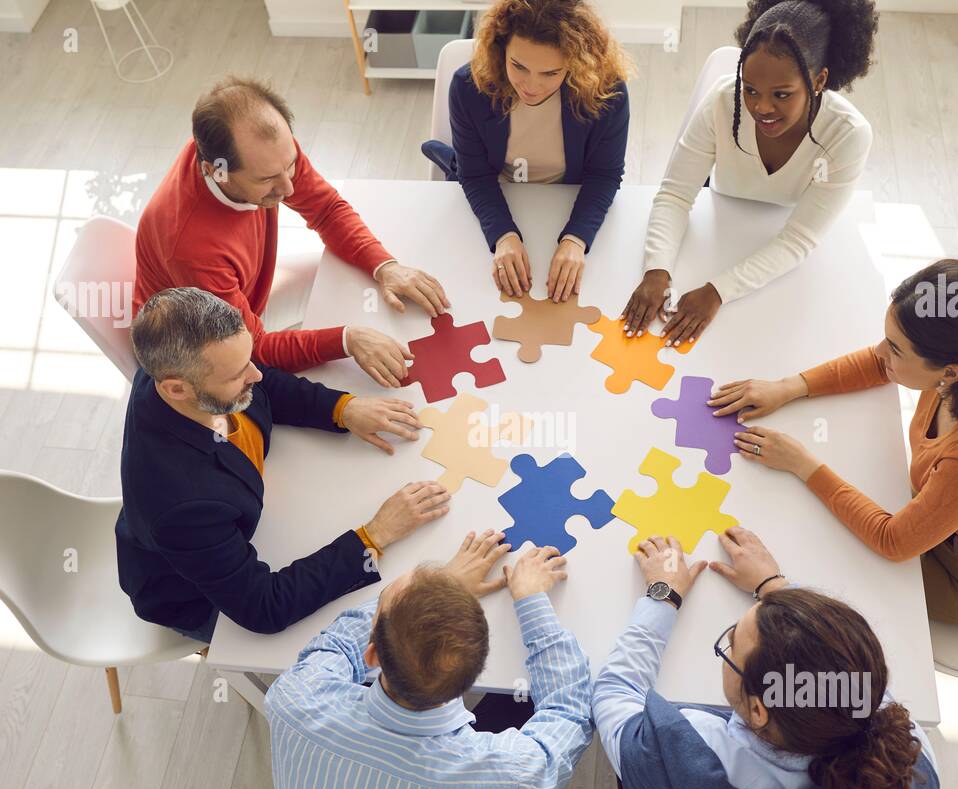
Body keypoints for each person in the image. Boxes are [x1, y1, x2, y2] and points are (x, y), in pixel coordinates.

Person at [714, 259, 958, 626]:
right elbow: (879, 365)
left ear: (949, 372)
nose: (880, 351)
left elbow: (892, 541)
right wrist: (789, 387)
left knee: (826, 574)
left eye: (895, 348)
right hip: (951, 527)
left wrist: (802, 464)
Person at [116, 287, 448, 642]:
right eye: (237, 375)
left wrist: (342, 409)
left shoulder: (190, 374)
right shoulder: (182, 508)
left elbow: (264, 384)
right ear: (176, 389)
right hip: (197, 600)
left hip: (237, 525)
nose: (256, 376)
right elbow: (264, 607)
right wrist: (376, 535)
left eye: (249, 360)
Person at [594, 527, 939, 789]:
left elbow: (614, 691)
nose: (729, 643)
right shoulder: (915, 761)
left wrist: (663, 595)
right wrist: (773, 586)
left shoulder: (668, 753)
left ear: (758, 710)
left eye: (732, 644)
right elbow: (837, 662)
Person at [265, 533, 593, 789]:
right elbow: (569, 713)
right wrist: (532, 602)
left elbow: (335, 646)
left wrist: (440, 588)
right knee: (520, 701)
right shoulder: (505, 775)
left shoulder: (293, 700)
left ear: (373, 654)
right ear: (477, 673)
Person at [135, 75, 449, 386]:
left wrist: (385, 267)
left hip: (241, 298)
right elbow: (251, 348)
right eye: (267, 179)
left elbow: (325, 210)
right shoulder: (192, 248)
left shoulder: (268, 155)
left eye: (291, 165)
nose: (287, 188)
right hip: (195, 347)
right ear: (217, 173)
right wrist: (346, 340)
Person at [622, 0, 878, 345]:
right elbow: (676, 193)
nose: (761, 107)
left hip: (781, 249)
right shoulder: (723, 101)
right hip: (721, 221)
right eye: (750, 89)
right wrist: (656, 269)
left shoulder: (848, 135)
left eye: (782, 94)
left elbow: (799, 238)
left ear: (819, 81)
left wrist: (717, 292)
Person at [424, 0, 631, 302]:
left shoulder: (607, 94)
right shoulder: (467, 87)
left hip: (566, 197)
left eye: (550, 73)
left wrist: (576, 239)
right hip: (499, 190)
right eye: (518, 66)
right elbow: (477, 175)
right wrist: (503, 236)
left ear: (575, 64)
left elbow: (604, 175)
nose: (531, 86)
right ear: (501, 49)